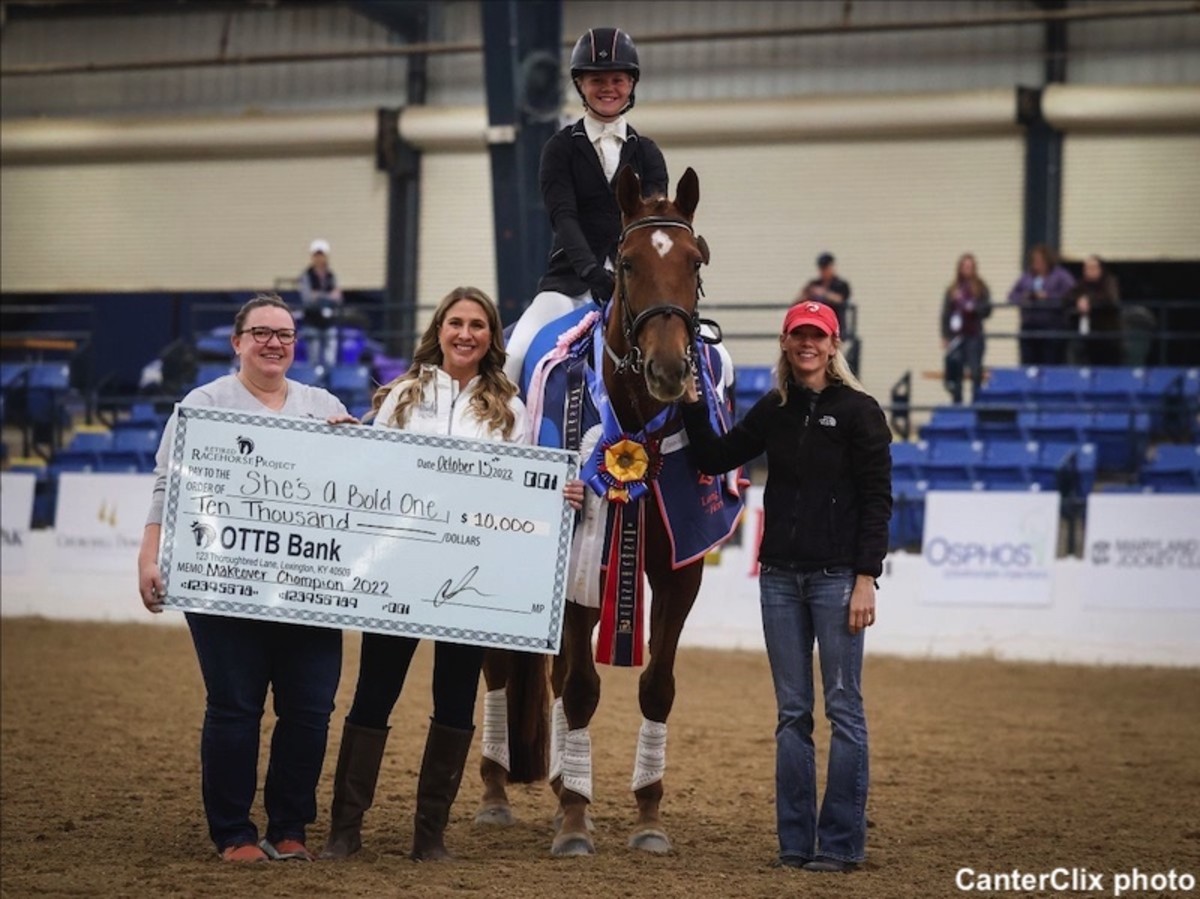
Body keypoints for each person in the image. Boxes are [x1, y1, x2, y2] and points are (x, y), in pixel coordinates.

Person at [320, 286, 584, 862]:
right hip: (397, 574)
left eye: (478, 325)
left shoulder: (510, 409)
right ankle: (345, 829)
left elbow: (524, 490)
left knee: (454, 701)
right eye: (456, 323)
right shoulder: (401, 398)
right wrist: (343, 443)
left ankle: (429, 834)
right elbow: (370, 472)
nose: (466, 334)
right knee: (373, 695)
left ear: (493, 337)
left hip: (470, 583)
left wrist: (555, 492)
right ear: (439, 329)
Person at [137, 293, 353, 863]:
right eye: (261, 332)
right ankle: (232, 832)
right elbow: (167, 486)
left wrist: (358, 447)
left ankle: (289, 828)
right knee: (234, 707)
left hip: (309, 587)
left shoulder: (321, 403)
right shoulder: (201, 404)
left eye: (284, 334)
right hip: (222, 585)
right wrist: (149, 556)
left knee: (310, 710)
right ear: (237, 342)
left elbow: (356, 488)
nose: (274, 342)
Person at [678, 300, 892, 873]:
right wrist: (694, 407)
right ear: (785, 342)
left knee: (844, 710)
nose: (807, 345)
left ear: (832, 344)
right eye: (798, 335)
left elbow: (877, 500)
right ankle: (795, 843)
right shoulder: (775, 408)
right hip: (778, 578)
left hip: (837, 578)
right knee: (792, 714)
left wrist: (866, 577)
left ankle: (842, 843)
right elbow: (716, 455)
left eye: (816, 337)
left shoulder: (861, 412)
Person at [502, 26, 668, 385]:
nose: (608, 88)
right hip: (569, 286)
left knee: (707, 357)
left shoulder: (648, 153)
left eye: (618, 79)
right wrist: (593, 273)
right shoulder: (559, 149)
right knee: (513, 357)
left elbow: (652, 222)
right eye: (597, 79)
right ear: (581, 85)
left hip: (638, 288)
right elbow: (564, 216)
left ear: (631, 84)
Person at [1007, 244, 1075, 366]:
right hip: (1029, 327)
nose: (1036, 263)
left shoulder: (1060, 275)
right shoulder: (1027, 277)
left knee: (1050, 363)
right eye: (1034, 260)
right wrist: (1025, 297)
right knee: (1028, 363)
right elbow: (1012, 296)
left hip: (1052, 327)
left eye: (1040, 260)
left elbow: (1071, 295)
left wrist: (1049, 297)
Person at [940, 253, 993, 404]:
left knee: (975, 369)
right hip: (957, 335)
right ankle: (957, 401)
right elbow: (945, 313)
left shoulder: (980, 287)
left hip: (974, 334)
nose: (967, 269)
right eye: (964, 266)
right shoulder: (952, 289)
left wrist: (973, 308)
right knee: (955, 368)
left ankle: (976, 401)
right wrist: (945, 335)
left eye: (970, 266)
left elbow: (987, 309)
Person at [1064, 255, 1121, 366]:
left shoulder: (1109, 282)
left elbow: (1110, 300)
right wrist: (1078, 301)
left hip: (1106, 335)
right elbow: (1067, 298)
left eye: (1093, 268)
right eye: (1087, 268)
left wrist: (1090, 301)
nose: (1089, 271)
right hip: (1086, 335)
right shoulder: (1081, 285)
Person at [298, 238, 344, 368]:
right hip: (312, 321)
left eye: (321, 255)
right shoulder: (306, 275)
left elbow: (338, 298)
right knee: (313, 359)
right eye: (316, 255)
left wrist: (318, 295)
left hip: (329, 322)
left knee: (330, 359)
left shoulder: (331, 276)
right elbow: (307, 299)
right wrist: (329, 296)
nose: (319, 258)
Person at [798, 252, 853, 337]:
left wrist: (824, 293)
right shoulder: (814, 283)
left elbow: (841, 299)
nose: (823, 271)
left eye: (826, 268)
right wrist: (808, 293)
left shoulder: (840, 284)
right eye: (822, 269)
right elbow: (799, 300)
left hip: (836, 325)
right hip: (816, 324)